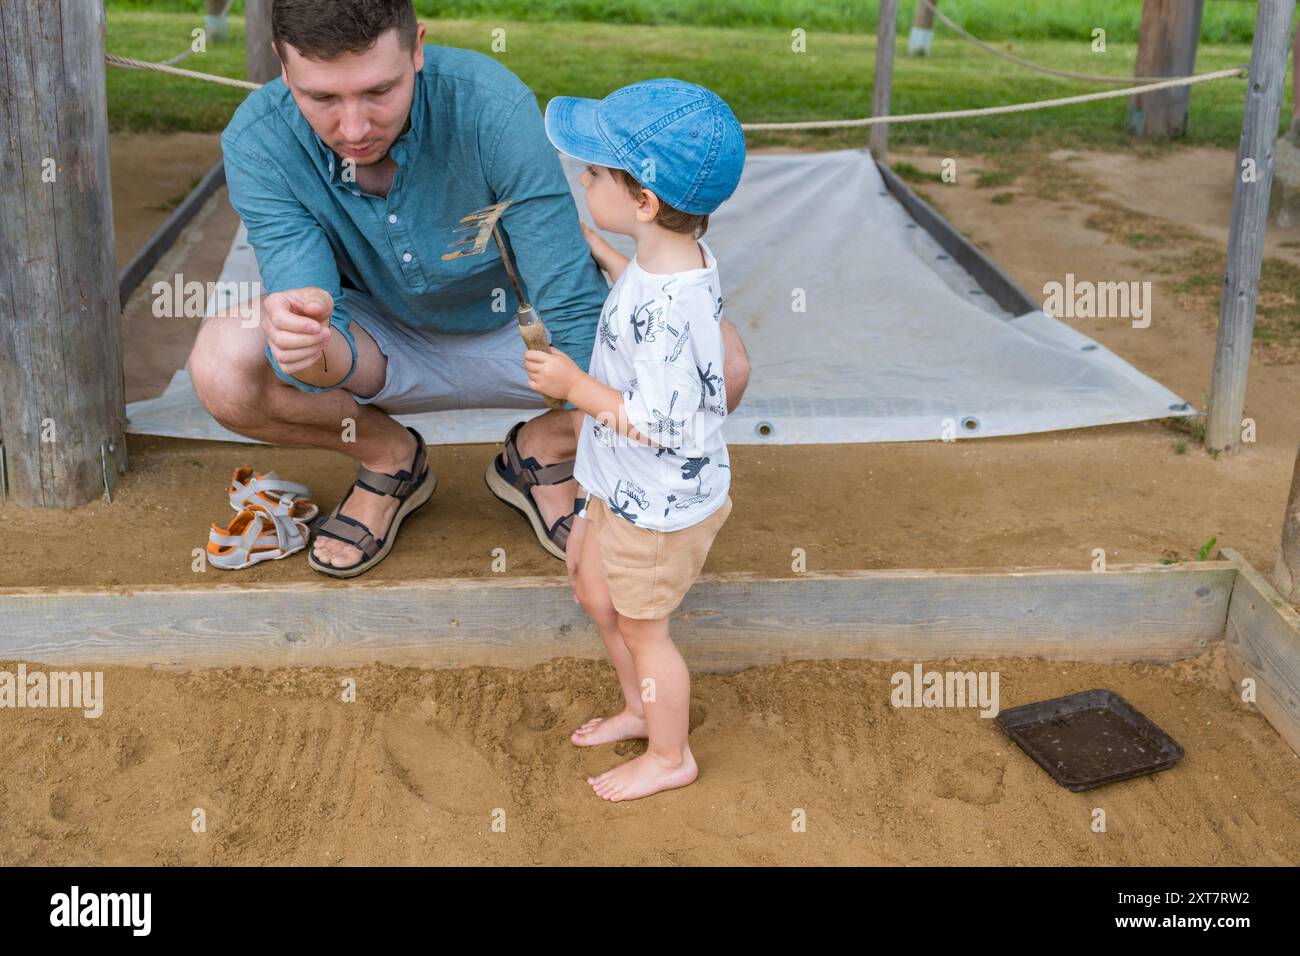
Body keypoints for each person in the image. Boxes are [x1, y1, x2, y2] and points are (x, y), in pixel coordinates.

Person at [188, 0, 751, 576]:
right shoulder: (258, 139)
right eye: (323, 98)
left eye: (379, 91)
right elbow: (314, 320)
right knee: (223, 365)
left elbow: (565, 296)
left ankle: (544, 453)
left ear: (417, 50)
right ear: (284, 70)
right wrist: (303, 345)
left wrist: (601, 459)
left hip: (523, 335)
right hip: (375, 343)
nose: (354, 129)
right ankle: (389, 458)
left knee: (717, 363)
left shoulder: (492, 103)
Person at [525, 79, 743, 802]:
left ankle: (669, 751)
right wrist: (609, 257)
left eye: (594, 171)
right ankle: (638, 707)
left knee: (647, 631)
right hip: (616, 481)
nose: (582, 177)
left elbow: (661, 420)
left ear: (644, 202)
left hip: (655, 502)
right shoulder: (665, 263)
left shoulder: (675, 301)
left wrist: (571, 384)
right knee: (592, 587)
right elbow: (645, 298)